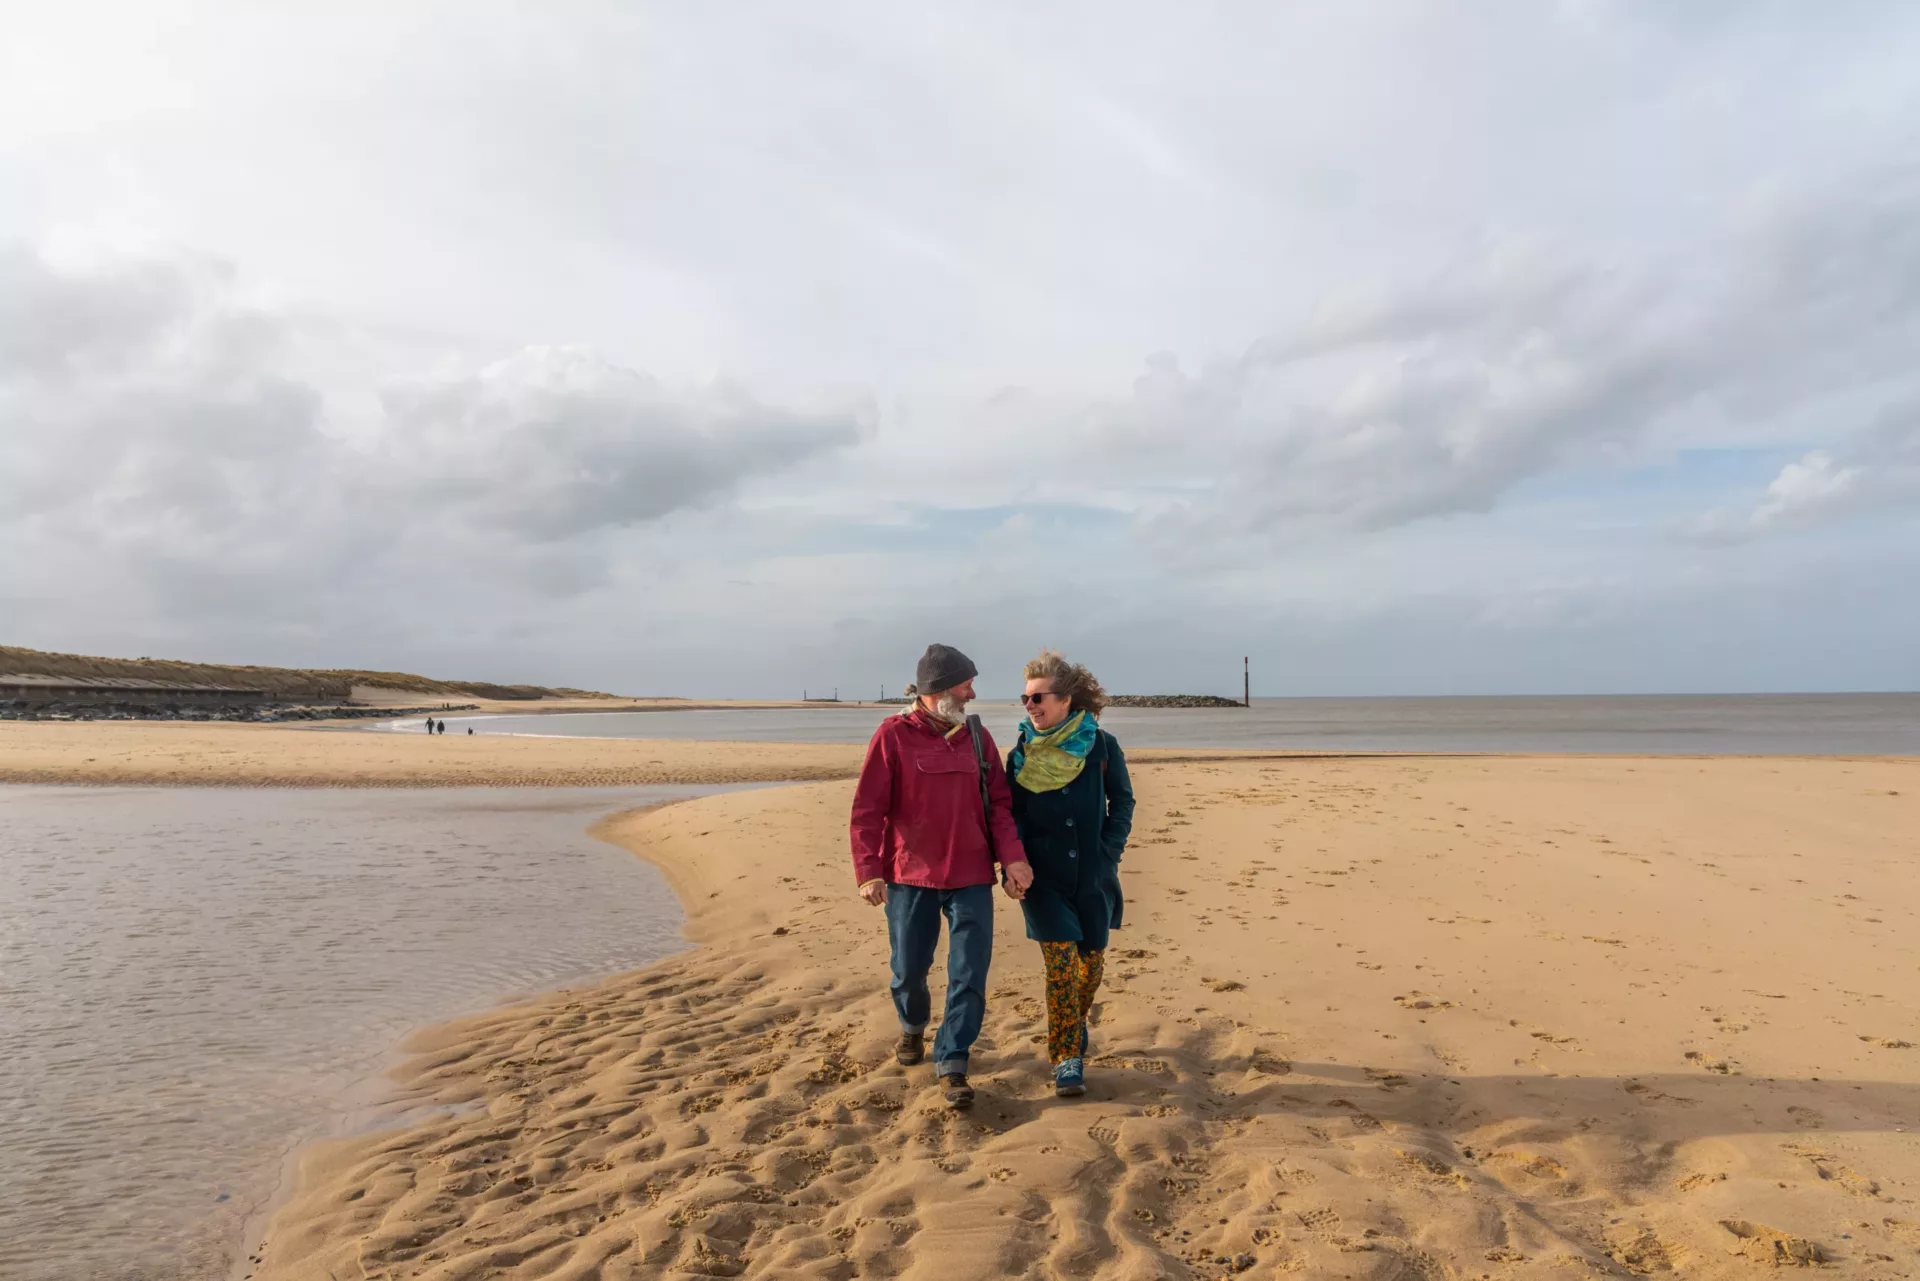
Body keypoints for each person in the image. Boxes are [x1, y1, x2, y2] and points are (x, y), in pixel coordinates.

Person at [849, 643, 1034, 1109]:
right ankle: (912, 1027)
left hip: (971, 876)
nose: (972, 693)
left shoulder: (978, 737)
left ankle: (953, 1061)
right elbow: (867, 810)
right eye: (965, 684)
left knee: (969, 973)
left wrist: (1012, 859)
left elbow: (1000, 806)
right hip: (910, 878)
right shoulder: (892, 736)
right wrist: (868, 871)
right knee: (908, 970)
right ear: (938, 689)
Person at [1006, 650, 1134, 1098]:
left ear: (1065, 700)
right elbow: (1011, 817)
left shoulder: (1102, 746)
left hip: (1094, 877)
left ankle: (1072, 1025)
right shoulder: (1020, 755)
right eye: (1024, 699)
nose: (1030, 706)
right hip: (1042, 880)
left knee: (1090, 965)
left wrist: (1109, 853)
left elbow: (1122, 802)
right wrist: (1013, 864)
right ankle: (1066, 1058)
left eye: (1038, 697)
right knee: (1060, 965)